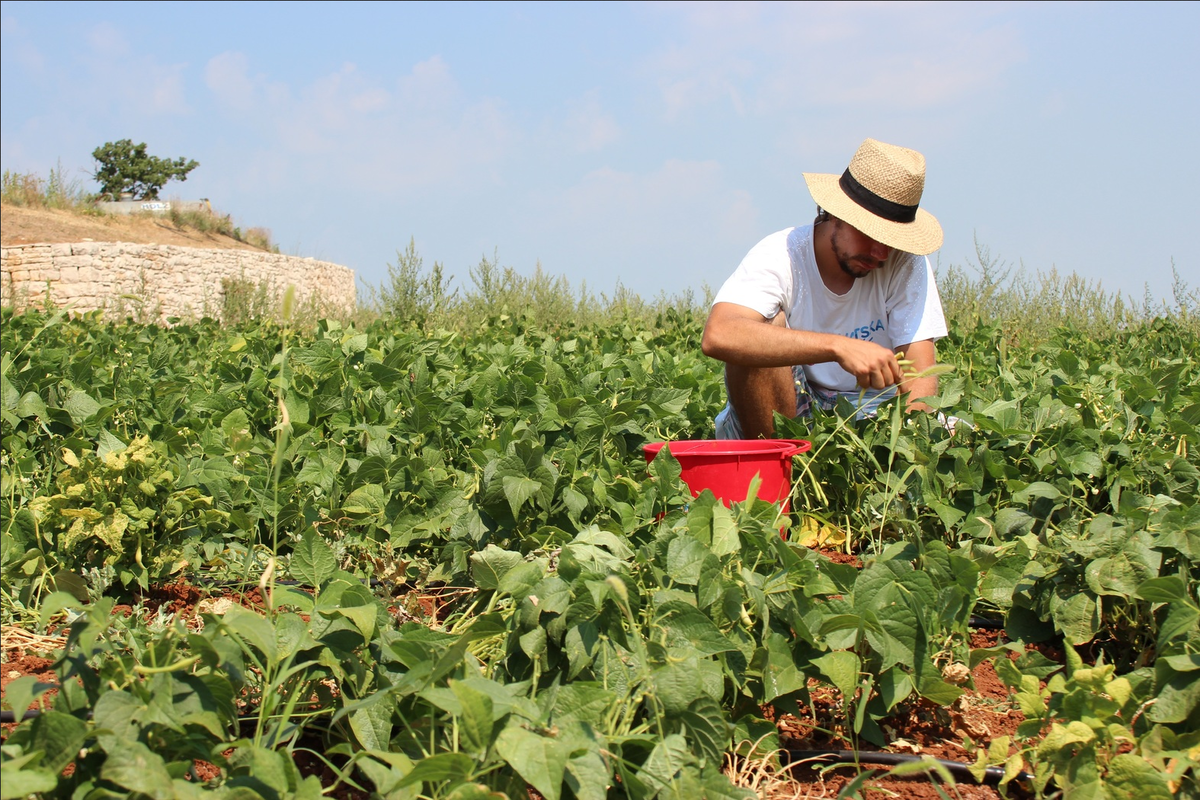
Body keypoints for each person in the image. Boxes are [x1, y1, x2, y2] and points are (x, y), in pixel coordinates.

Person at [702, 138, 947, 439]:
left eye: (892, 240)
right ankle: (776, 464)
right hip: (790, 403)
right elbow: (719, 334)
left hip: (872, 409)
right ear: (833, 213)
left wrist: (906, 448)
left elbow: (919, 379)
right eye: (869, 234)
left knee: (957, 441)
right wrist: (838, 346)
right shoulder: (782, 253)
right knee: (762, 328)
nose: (880, 253)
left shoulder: (905, 262)